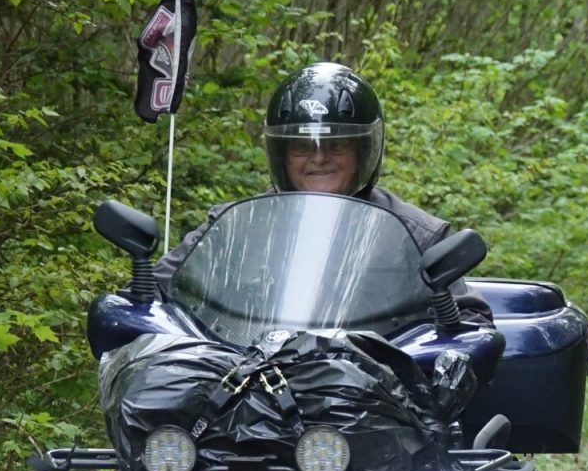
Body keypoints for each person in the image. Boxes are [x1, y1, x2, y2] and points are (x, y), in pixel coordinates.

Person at [156, 62, 493, 327]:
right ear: (282, 155)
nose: (319, 157)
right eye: (303, 147)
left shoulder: (417, 235)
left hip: (373, 401)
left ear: (362, 152)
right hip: (249, 393)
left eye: (337, 145)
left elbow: (472, 323)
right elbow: (151, 293)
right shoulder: (234, 227)